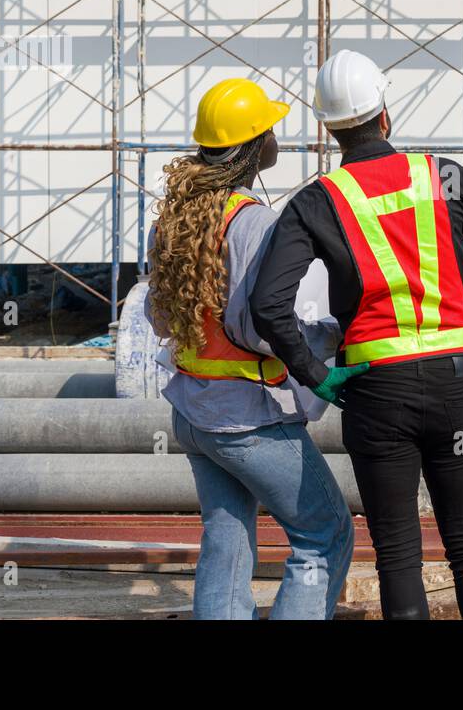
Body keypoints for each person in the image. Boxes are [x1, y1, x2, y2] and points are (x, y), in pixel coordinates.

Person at [251, 50, 463, 620]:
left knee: (398, 556)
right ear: (385, 115)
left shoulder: (316, 200)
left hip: (376, 391)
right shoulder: (444, 173)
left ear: (331, 129)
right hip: (455, 381)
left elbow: (268, 305)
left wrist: (318, 377)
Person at [144, 77, 354, 620]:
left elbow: (158, 316)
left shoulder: (175, 221)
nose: (277, 137)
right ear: (255, 145)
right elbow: (268, 324)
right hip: (249, 418)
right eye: (270, 128)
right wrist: (329, 338)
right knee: (323, 534)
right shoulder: (256, 223)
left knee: (228, 538)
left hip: (193, 410)